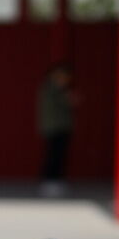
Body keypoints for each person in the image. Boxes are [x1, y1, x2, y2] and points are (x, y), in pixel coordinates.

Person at [36, 63, 76, 197]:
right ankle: (49, 182)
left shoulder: (58, 89)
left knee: (59, 155)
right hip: (54, 126)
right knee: (53, 155)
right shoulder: (51, 88)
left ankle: (57, 181)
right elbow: (63, 103)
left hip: (61, 126)